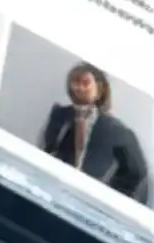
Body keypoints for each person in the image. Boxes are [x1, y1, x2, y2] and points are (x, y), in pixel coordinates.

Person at [42, 63, 149, 203]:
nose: (79, 88)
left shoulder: (117, 131)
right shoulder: (59, 116)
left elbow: (136, 173)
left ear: (99, 89)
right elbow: (47, 149)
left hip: (90, 199)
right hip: (56, 189)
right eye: (75, 82)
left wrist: (109, 196)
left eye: (85, 83)